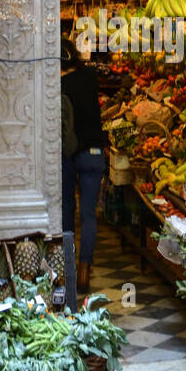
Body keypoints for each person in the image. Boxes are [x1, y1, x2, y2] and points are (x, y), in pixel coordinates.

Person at [61, 35, 106, 294]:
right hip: (93, 151)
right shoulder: (90, 78)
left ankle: (68, 267)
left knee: (67, 209)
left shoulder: (57, 84)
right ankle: (85, 269)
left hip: (68, 154)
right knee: (89, 214)